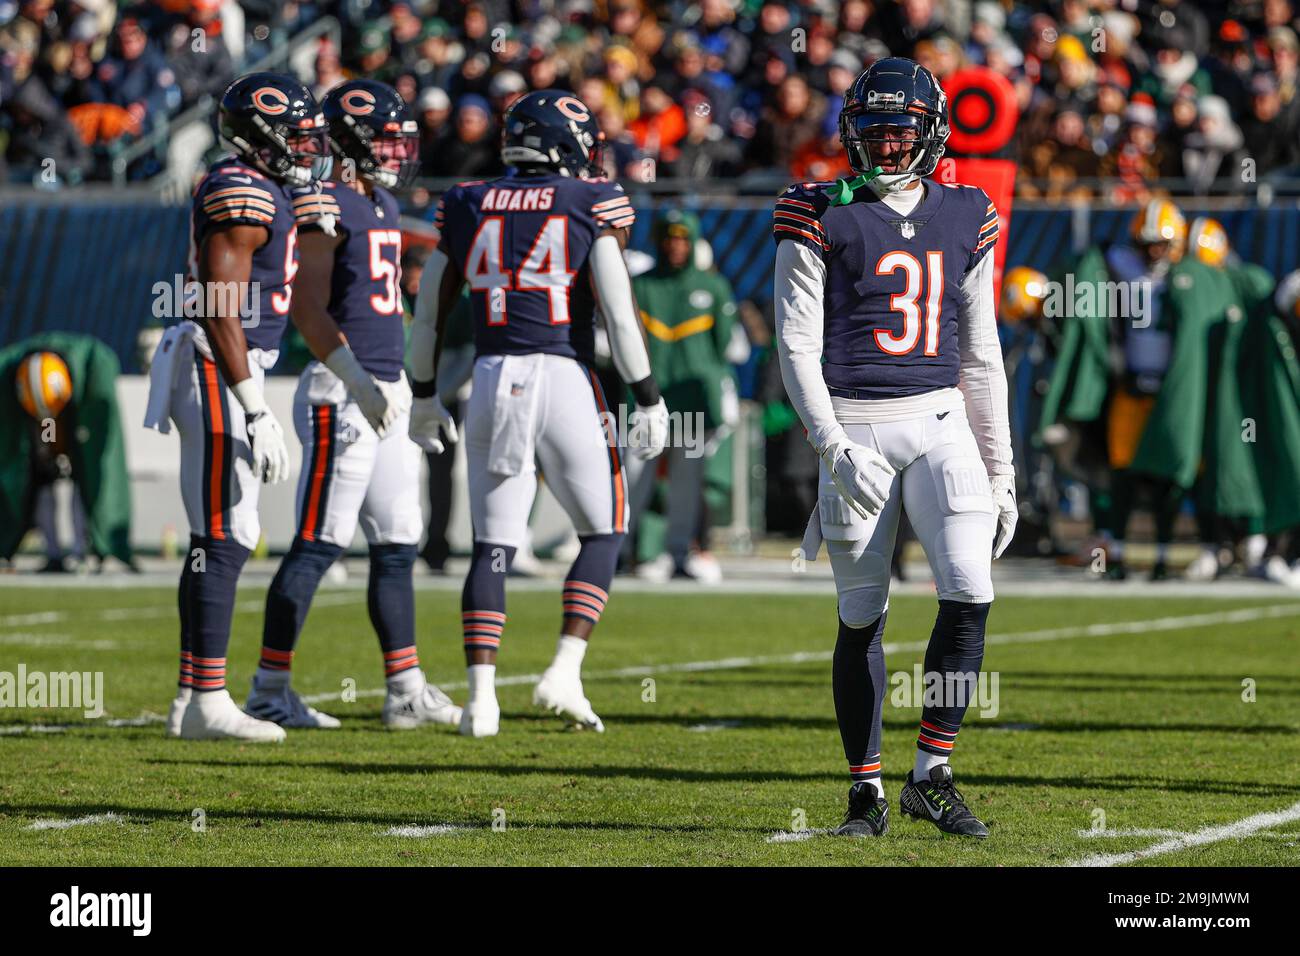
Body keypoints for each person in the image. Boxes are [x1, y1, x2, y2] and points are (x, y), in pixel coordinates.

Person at [773, 59, 1015, 838]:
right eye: (872, 133)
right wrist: (832, 446)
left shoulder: (966, 210)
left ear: (931, 133)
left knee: (971, 588)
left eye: (899, 133)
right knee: (861, 612)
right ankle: (866, 790)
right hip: (856, 422)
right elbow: (795, 347)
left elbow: (981, 354)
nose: (883, 149)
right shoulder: (816, 210)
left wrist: (1002, 469)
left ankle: (931, 773)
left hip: (942, 418)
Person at [409, 90, 669, 737]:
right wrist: (647, 395)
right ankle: (563, 669)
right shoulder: (587, 201)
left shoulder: (469, 201)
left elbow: (428, 310)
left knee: (492, 546)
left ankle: (480, 702)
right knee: (606, 529)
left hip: (493, 376)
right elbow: (617, 309)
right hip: (562, 374)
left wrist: (422, 393)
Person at [242, 79, 462, 730]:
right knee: (320, 540)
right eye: (388, 140)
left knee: (399, 540)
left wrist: (411, 392)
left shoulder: (382, 202)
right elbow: (304, 307)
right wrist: (358, 382)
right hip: (343, 390)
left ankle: (405, 689)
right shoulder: (325, 200)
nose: (399, 152)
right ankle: (268, 687)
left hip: (385, 391)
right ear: (354, 140)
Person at [143, 73, 329, 741]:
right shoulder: (240, 190)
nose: (310, 147)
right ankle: (206, 701)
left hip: (230, 363)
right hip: (220, 362)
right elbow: (221, 305)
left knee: (223, 534)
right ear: (263, 136)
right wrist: (254, 407)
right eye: (300, 134)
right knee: (224, 534)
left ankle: (193, 697)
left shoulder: (265, 188)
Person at [624, 208, 739, 581]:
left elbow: (724, 346)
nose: (675, 246)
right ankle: (618, 553)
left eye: (682, 239)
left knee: (686, 485)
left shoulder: (712, 287)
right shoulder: (640, 286)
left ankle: (676, 553)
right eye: (669, 238)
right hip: (645, 402)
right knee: (633, 480)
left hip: (692, 405)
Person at [0, 337, 133, 573]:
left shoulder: (81, 392)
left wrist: (65, 453)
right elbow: (45, 423)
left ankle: (80, 551)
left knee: (78, 493)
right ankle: (53, 553)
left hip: (72, 445)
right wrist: (47, 454)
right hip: (46, 447)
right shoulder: (27, 394)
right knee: (45, 491)